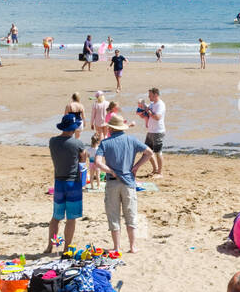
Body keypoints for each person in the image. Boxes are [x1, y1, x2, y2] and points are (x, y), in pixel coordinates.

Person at [92, 113, 152, 254]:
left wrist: (111, 171)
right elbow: (149, 153)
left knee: (113, 215)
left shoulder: (105, 143)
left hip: (113, 182)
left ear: (111, 128)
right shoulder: (131, 140)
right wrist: (136, 166)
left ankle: (117, 247)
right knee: (130, 215)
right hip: (128, 182)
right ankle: (132, 246)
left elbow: (98, 163)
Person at [48, 113, 83, 253]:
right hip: (73, 182)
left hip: (59, 182)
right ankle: (66, 248)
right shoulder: (78, 143)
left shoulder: (52, 141)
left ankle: (51, 246)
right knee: (71, 218)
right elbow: (82, 163)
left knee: (56, 217)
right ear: (74, 128)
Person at [141, 87, 165, 175]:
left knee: (158, 153)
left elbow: (157, 117)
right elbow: (148, 110)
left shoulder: (160, 104)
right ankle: (155, 169)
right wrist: (143, 106)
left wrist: (149, 112)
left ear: (155, 95)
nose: (148, 97)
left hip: (158, 131)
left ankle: (159, 173)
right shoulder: (152, 103)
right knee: (147, 151)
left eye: (150, 95)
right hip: (150, 131)